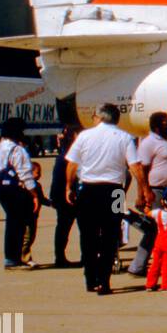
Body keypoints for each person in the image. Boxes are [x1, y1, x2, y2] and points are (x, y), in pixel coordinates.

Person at [66, 103, 148, 295]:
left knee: (88, 235)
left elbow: (72, 164)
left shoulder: (85, 136)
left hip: (88, 188)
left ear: (100, 117)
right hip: (116, 191)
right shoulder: (125, 137)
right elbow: (135, 166)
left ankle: (90, 278)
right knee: (112, 236)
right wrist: (143, 190)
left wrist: (68, 186)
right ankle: (104, 281)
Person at [0, 117, 40, 270]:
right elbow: (25, 174)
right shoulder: (17, 150)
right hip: (16, 189)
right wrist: (34, 194)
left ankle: (12, 258)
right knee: (18, 224)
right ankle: (13, 259)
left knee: (12, 221)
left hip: (1, 188)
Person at [49, 128, 80, 266]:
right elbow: (58, 179)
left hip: (71, 195)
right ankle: (60, 257)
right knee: (64, 227)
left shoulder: (65, 156)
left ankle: (61, 257)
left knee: (66, 227)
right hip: (67, 197)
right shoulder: (67, 157)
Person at [137, 112, 167, 208]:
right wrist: (144, 193)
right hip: (155, 191)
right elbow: (142, 170)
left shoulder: (166, 142)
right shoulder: (149, 142)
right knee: (157, 216)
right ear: (157, 127)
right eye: (166, 124)